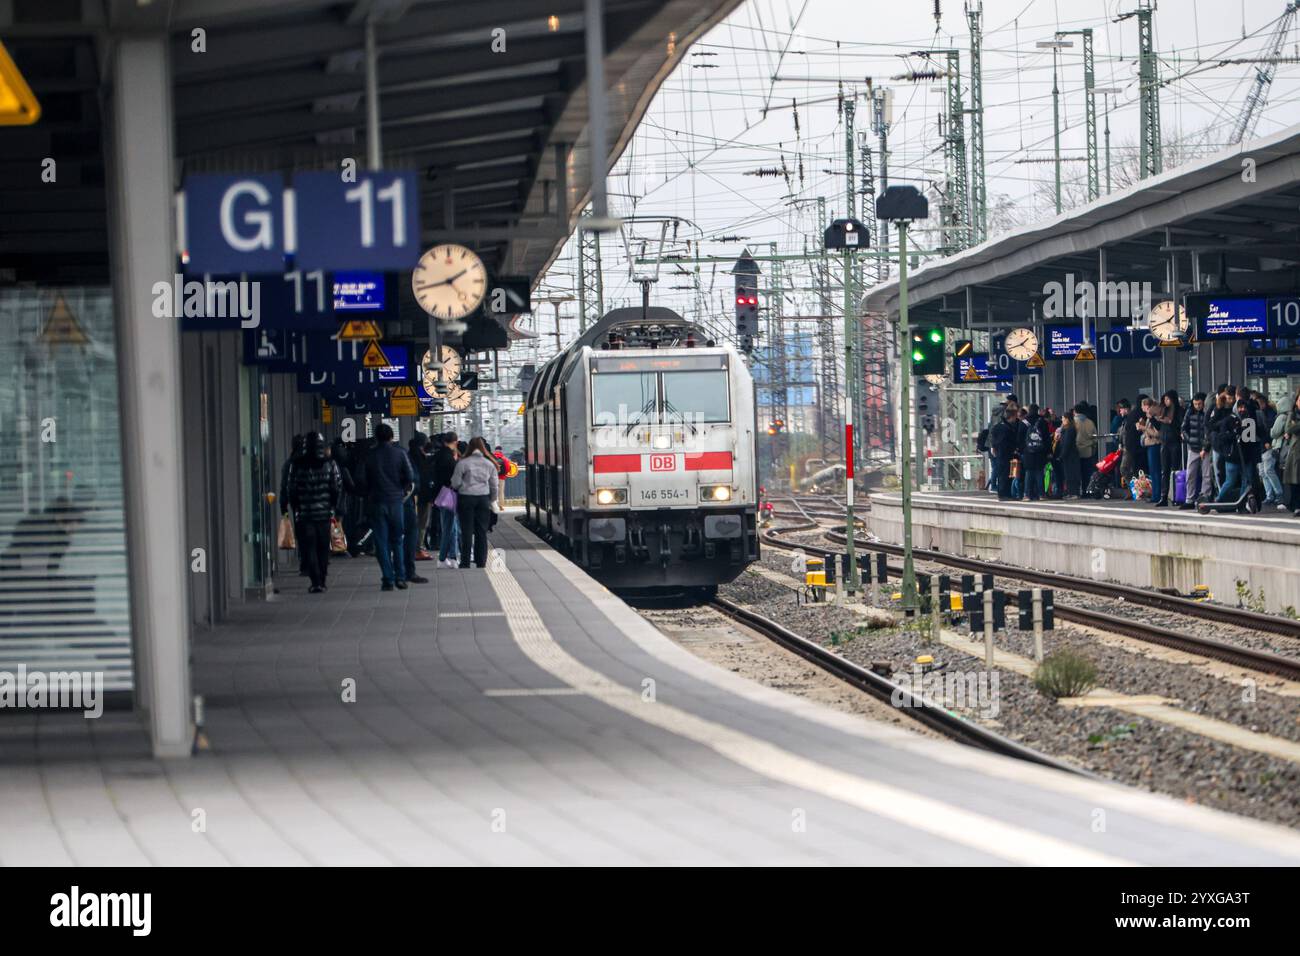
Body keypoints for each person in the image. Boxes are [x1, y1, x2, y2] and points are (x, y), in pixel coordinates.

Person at [362, 423, 414, 591]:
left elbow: (361, 479)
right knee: (397, 540)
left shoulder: (369, 455)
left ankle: (388, 578)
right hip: (396, 502)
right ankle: (400, 577)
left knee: (381, 542)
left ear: (376, 437)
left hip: (376, 502)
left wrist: (369, 491)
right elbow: (410, 475)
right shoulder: (400, 453)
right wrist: (401, 489)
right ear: (392, 436)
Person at [289, 432, 342, 593]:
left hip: (305, 514)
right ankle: (323, 579)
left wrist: (295, 507)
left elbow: (292, 489)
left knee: (309, 547)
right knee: (322, 547)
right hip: (324, 514)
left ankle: (315, 581)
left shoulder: (297, 465)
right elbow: (336, 487)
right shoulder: (330, 464)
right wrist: (333, 507)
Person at [451, 437, 500, 569]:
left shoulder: (463, 463)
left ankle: (465, 562)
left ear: (469, 447)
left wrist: (462, 486)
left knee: (466, 531)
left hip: (466, 499)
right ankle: (481, 561)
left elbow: (455, 483)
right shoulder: (489, 464)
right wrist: (492, 500)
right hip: (483, 499)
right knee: (481, 531)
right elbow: (494, 485)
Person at [402, 435, 430, 585]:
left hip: (400, 499)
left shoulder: (408, 455)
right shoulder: (416, 458)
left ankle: (391, 576)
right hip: (413, 498)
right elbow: (416, 478)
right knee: (417, 526)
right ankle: (416, 551)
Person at [432, 431, 460, 568]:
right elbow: (454, 479)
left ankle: (451, 556)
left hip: (440, 494)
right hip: (449, 494)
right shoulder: (449, 458)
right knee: (449, 527)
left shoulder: (437, 455)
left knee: (451, 526)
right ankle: (444, 558)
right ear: (455, 442)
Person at [1179, 392, 1211, 508]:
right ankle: (1189, 499)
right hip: (1193, 447)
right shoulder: (1189, 411)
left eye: (1199, 404)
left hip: (1205, 448)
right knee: (1190, 474)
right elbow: (1183, 428)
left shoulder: (1207, 413)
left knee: (1206, 474)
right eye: (1195, 404)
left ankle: (1204, 496)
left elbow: (1209, 432)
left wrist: (1205, 448)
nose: (1197, 406)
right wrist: (1189, 440)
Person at [1019, 404, 1050, 502]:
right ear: (1037, 410)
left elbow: (1019, 438)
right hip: (1040, 451)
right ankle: (1041, 494)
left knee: (1029, 472)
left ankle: (1027, 495)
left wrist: (1022, 449)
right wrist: (1048, 451)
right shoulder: (1042, 422)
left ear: (1028, 410)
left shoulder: (1023, 422)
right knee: (1039, 472)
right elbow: (1047, 438)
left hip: (1028, 452)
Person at [1140, 396, 1163, 503]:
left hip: (1154, 445)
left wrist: (1144, 428)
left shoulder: (1154, 418)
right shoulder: (1149, 418)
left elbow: (1157, 433)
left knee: (1155, 471)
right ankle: (1155, 494)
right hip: (1150, 445)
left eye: (1143, 406)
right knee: (1153, 471)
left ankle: (1157, 495)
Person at [1281, 390, 1300, 516]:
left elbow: (1292, 430)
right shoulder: (1292, 414)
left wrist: (1296, 426)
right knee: (1295, 479)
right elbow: (1288, 428)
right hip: (1296, 451)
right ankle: (1296, 505)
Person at [1055, 409, 1080, 498]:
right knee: (1068, 474)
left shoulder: (1070, 430)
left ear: (1067, 419)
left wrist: (1062, 455)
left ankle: (1074, 493)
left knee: (1071, 474)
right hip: (1069, 455)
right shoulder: (1067, 429)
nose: (1062, 420)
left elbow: (1067, 444)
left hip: (1070, 455)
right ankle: (1071, 492)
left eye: (1063, 418)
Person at [1074, 401, 1098, 493]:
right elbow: (1095, 437)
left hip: (1076, 452)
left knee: (1076, 473)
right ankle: (1086, 491)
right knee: (1087, 473)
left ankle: (1077, 491)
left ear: (1075, 411)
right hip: (1088, 451)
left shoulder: (1073, 422)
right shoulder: (1090, 422)